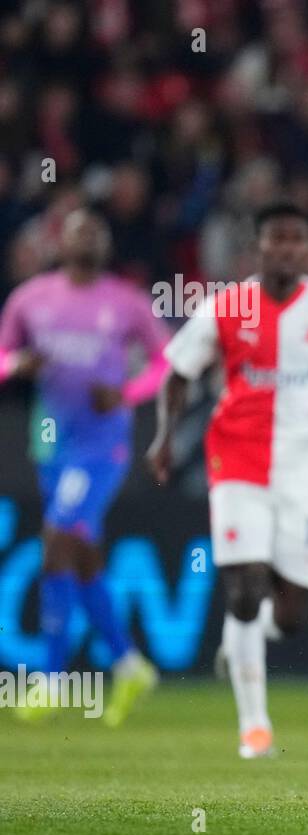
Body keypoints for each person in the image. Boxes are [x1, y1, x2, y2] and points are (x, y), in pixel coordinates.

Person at [146, 203, 308, 757]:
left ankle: (239, 641)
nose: (288, 249)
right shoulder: (228, 306)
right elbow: (177, 375)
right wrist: (162, 438)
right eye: (278, 239)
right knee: (244, 589)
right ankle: (255, 728)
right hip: (235, 463)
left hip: (302, 470)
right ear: (260, 245)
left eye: (298, 240)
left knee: (290, 616)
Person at [0, 209, 168, 725]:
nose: (87, 239)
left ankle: (50, 678)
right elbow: (2, 355)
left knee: (55, 539)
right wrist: (17, 366)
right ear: (61, 242)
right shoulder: (30, 298)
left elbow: (166, 362)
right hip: (51, 442)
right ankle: (128, 662)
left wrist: (125, 393)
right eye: (78, 232)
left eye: (97, 232)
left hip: (103, 446)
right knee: (80, 552)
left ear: (107, 244)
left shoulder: (127, 303)